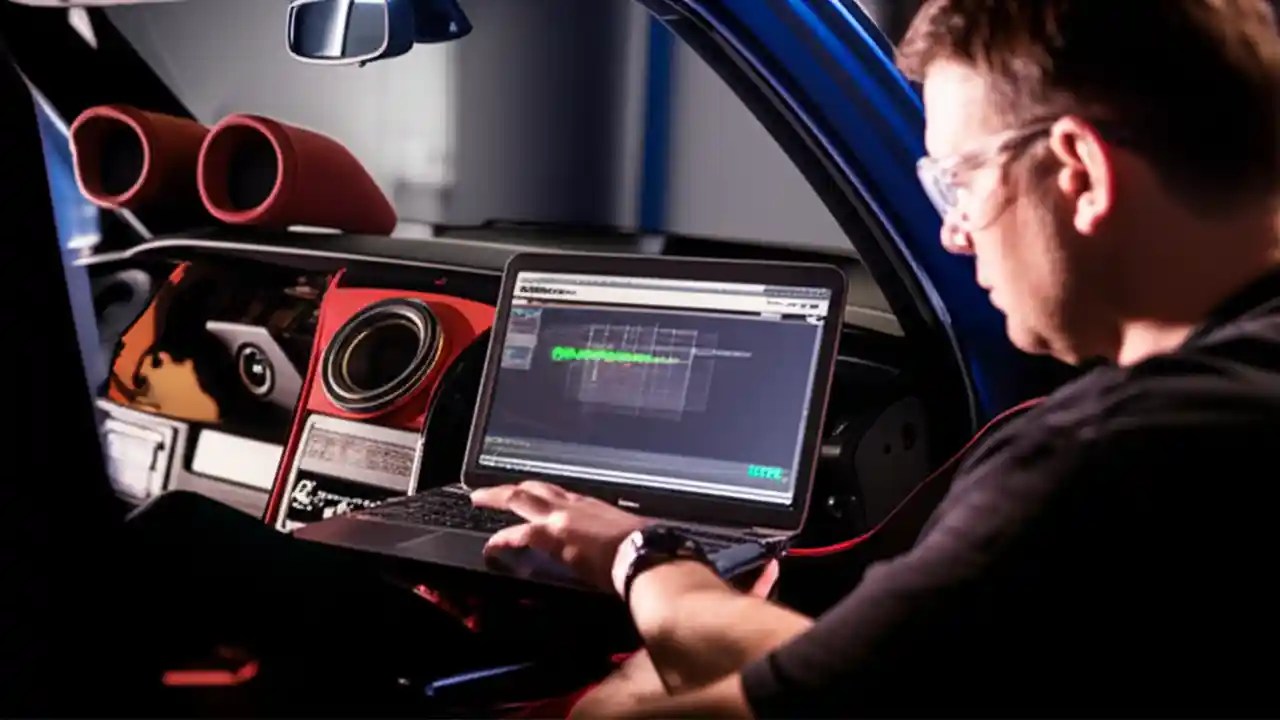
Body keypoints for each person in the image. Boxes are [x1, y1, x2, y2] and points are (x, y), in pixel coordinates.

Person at [470, 1, 1280, 716]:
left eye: (958, 183)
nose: (954, 234)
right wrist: (652, 559)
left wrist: (625, 660)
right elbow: (874, 675)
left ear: (1078, 171)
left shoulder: (1101, 463)